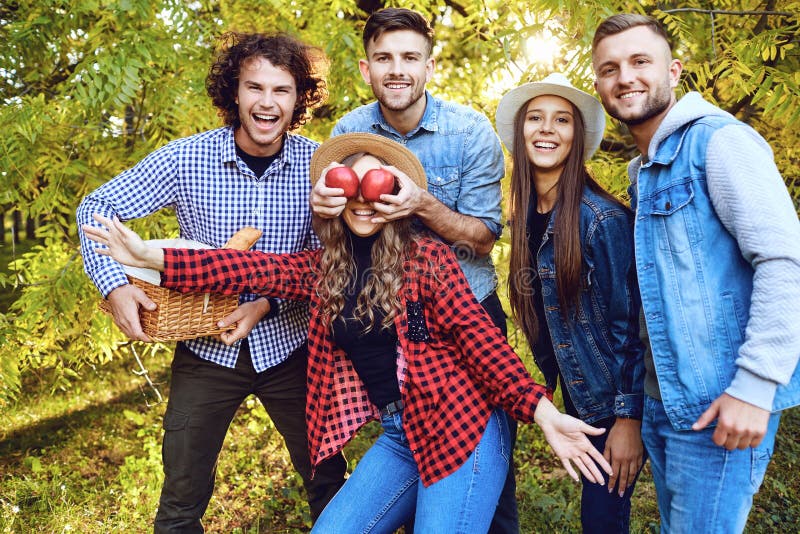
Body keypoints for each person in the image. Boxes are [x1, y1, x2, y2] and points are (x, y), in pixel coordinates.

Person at [83, 132, 614, 534]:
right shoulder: (322, 270)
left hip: (464, 428)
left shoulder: (426, 259)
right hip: (401, 435)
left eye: (376, 185)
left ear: (393, 196)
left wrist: (541, 411)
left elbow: (479, 340)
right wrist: (151, 255)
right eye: (349, 185)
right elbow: (244, 270)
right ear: (334, 195)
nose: (363, 198)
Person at [76, 32, 347, 531]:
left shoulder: (320, 168)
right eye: (254, 87)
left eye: (281, 90)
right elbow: (96, 208)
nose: (267, 102)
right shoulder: (185, 160)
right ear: (234, 92)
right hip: (205, 354)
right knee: (180, 500)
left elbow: (325, 257)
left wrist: (263, 302)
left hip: (292, 349)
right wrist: (114, 285)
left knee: (328, 483)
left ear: (299, 98)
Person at [310, 8, 520, 532]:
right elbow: (336, 238)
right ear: (366, 69)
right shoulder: (349, 132)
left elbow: (483, 237)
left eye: (410, 57)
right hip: (387, 320)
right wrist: (321, 211)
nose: (396, 69)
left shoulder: (469, 131)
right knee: (406, 446)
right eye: (384, 58)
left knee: (491, 503)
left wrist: (422, 206)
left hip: (465, 315)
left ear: (429, 67)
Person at [591, 14, 800, 533]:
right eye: (610, 69)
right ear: (598, 85)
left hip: (720, 408)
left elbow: (784, 259)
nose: (626, 78)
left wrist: (756, 385)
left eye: (641, 62)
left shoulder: (720, 144)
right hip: (667, 406)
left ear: (674, 70)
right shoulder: (644, 171)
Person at [495, 73, 646, 533]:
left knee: (603, 522)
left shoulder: (602, 220)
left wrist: (628, 420)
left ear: (576, 137)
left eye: (561, 120)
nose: (546, 129)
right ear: (520, 133)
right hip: (582, 401)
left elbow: (631, 326)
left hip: (614, 405)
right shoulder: (526, 217)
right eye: (535, 118)